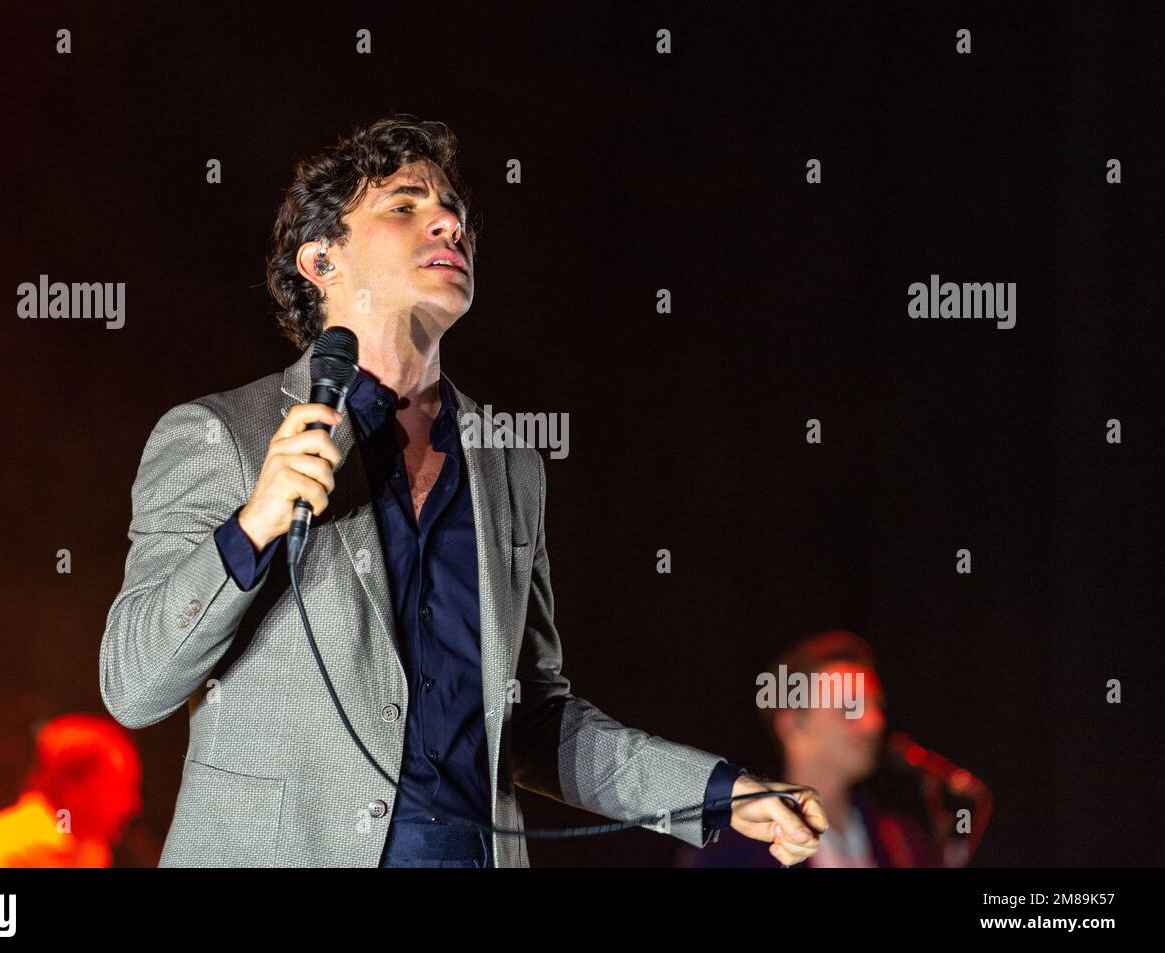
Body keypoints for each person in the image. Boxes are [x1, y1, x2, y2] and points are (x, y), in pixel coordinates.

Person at [99, 114, 827, 867]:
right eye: (405, 205)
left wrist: (719, 790)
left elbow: (534, 721)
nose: (450, 221)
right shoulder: (223, 434)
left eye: (457, 212)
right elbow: (133, 683)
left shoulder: (509, 464)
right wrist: (251, 527)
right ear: (321, 258)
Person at [674, 630, 933, 868]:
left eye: (877, 706)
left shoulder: (902, 839)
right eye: (850, 707)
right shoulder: (733, 848)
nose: (875, 723)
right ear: (793, 723)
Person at [0, 713, 142, 867]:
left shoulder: (91, 852)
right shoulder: (4, 847)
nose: (132, 805)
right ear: (72, 789)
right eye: (118, 788)